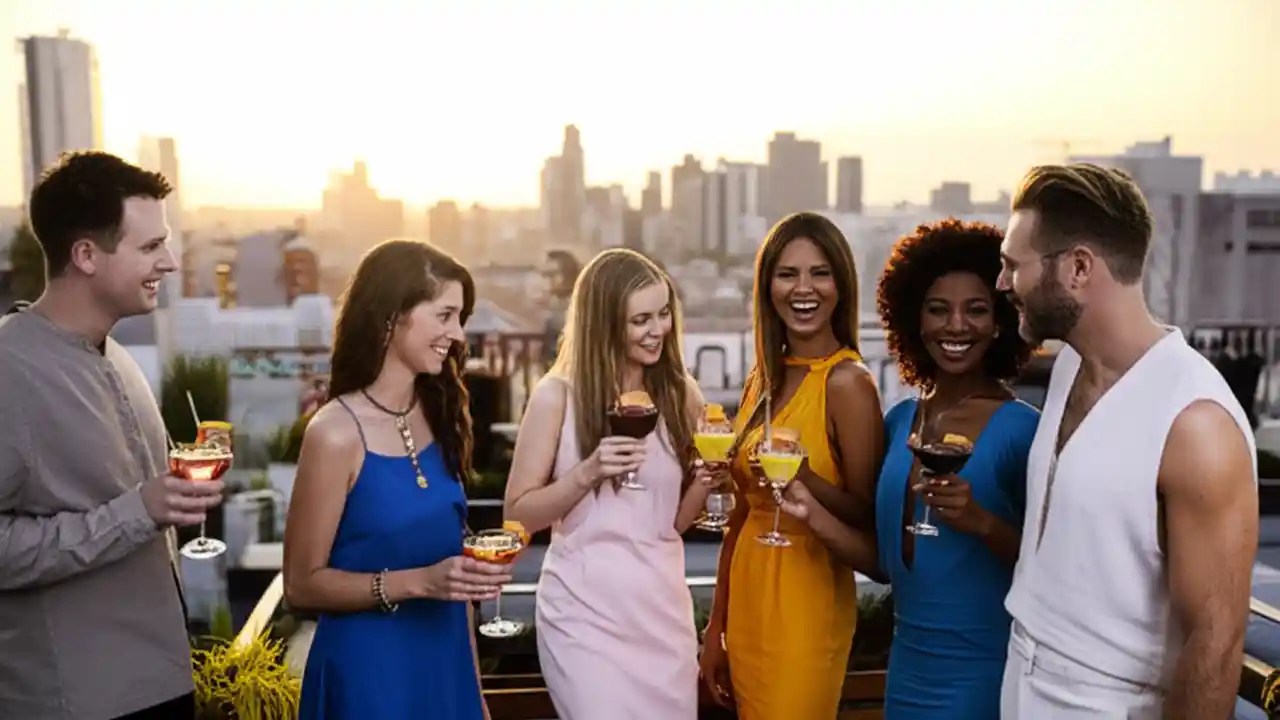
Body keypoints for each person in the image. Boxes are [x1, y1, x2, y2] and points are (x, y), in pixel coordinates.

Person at [997, 163, 1258, 718]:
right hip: (1021, 677)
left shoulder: (1196, 424)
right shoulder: (1069, 365)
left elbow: (1214, 647)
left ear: (1078, 267)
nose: (1002, 283)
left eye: (1013, 265)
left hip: (1107, 704)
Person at [0, 151, 225, 718]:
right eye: (150, 247)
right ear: (86, 256)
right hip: (75, 703)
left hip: (165, 684)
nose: (170, 262)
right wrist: (138, 511)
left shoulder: (120, 357)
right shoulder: (8, 369)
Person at [816, 218, 1038, 717]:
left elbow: (1054, 566)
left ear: (1000, 321)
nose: (956, 326)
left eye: (976, 310)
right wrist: (805, 503)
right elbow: (885, 564)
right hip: (906, 674)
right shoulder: (899, 422)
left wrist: (981, 522)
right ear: (914, 320)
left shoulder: (1023, 430)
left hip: (984, 678)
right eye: (938, 309)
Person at [283, 239, 511, 720]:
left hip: (445, 670)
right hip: (369, 681)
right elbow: (301, 586)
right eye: (445, 315)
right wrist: (419, 583)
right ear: (392, 316)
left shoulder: (442, 412)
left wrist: (476, 698)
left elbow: (457, 585)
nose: (457, 335)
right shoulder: (334, 433)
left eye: (460, 318)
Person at [504, 248, 715, 719]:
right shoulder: (556, 397)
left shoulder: (682, 396)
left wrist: (706, 480)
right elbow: (517, 514)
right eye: (640, 319)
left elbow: (671, 525)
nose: (658, 329)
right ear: (603, 323)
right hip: (583, 616)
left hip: (662, 615)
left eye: (663, 313)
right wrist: (589, 472)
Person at [699, 212, 886, 720]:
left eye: (819, 273)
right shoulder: (762, 379)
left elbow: (867, 518)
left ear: (840, 286)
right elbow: (740, 516)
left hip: (806, 604)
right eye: (788, 274)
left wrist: (804, 480)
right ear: (768, 286)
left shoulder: (849, 384)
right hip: (748, 601)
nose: (804, 289)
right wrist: (716, 628)